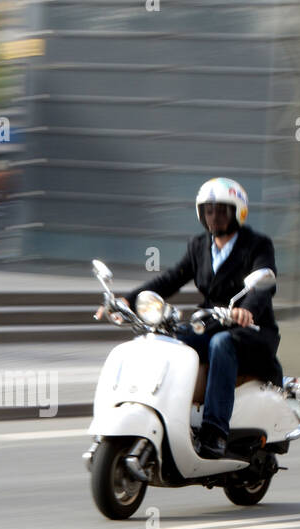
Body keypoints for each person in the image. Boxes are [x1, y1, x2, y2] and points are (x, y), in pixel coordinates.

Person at [98, 177, 283, 459]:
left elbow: (263, 282)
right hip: (210, 322)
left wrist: (247, 309)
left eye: (221, 210)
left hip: (251, 330)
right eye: (208, 211)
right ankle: (161, 413)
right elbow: (171, 279)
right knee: (167, 340)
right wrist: (128, 299)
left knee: (222, 344)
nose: (214, 217)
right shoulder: (199, 246)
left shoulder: (256, 244)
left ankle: (215, 431)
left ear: (238, 213)